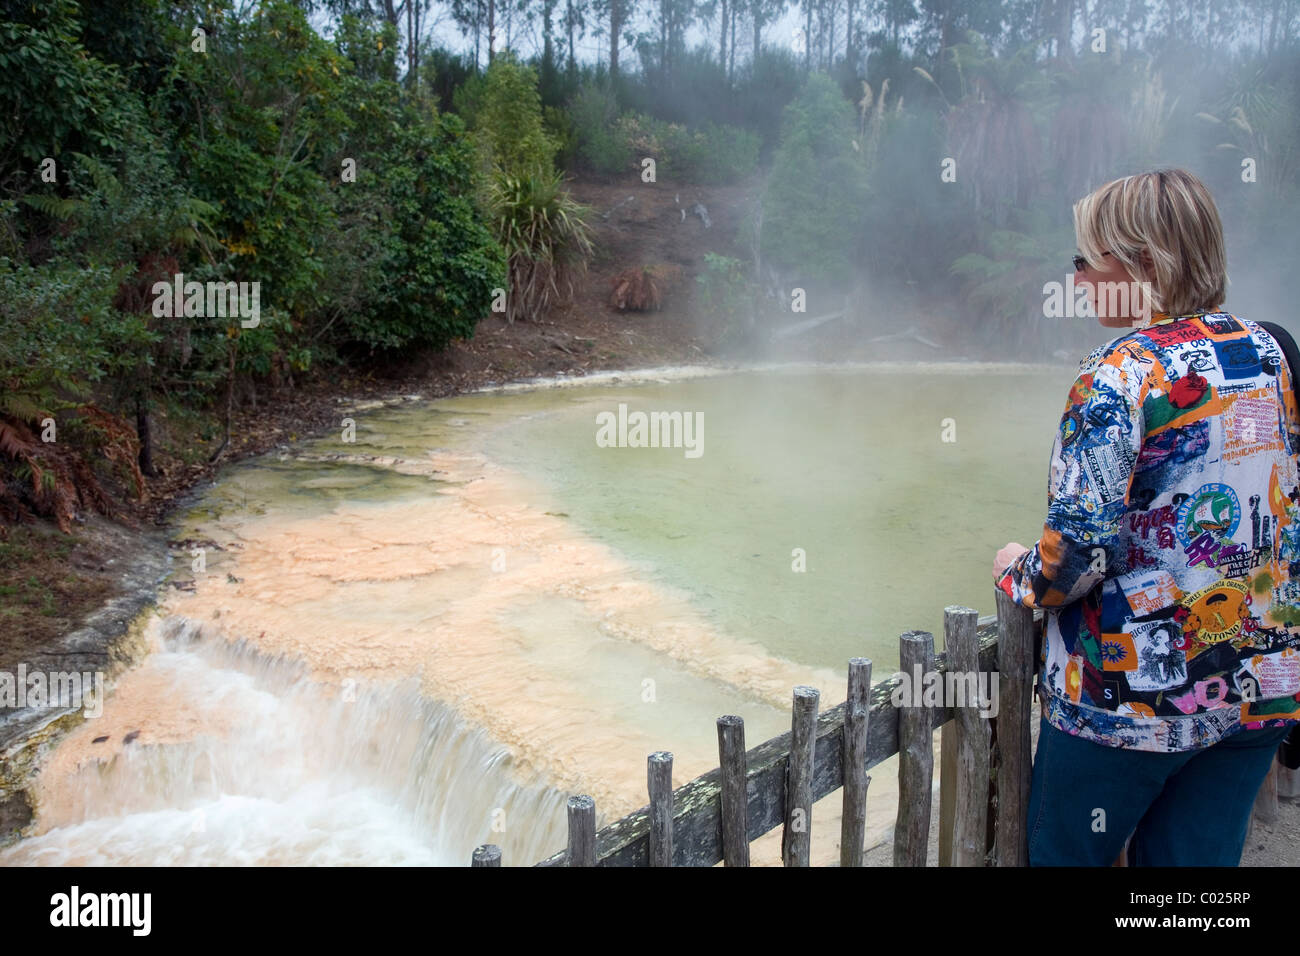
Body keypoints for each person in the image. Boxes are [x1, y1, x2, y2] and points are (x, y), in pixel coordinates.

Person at [992, 168, 1300, 866]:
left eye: (1085, 259)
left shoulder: (1118, 375)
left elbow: (1073, 559)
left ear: (1141, 263)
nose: (1076, 278)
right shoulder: (1269, 354)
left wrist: (1014, 571)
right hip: (1257, 688)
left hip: (1130, 706)